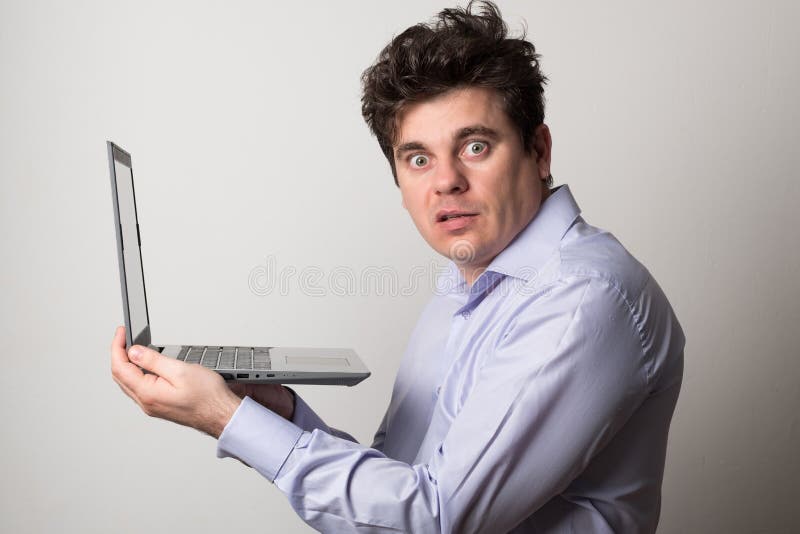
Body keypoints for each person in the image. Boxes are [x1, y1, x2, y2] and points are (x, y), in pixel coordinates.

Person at [110, 2, 684, 532]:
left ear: (539, 151)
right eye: (417, 158)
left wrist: (225, 419)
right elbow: (400, 483)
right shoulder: (467, 284)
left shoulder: (583, 297)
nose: (446, 181)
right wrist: (276, 412)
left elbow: (436, 518)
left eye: (476, 146)